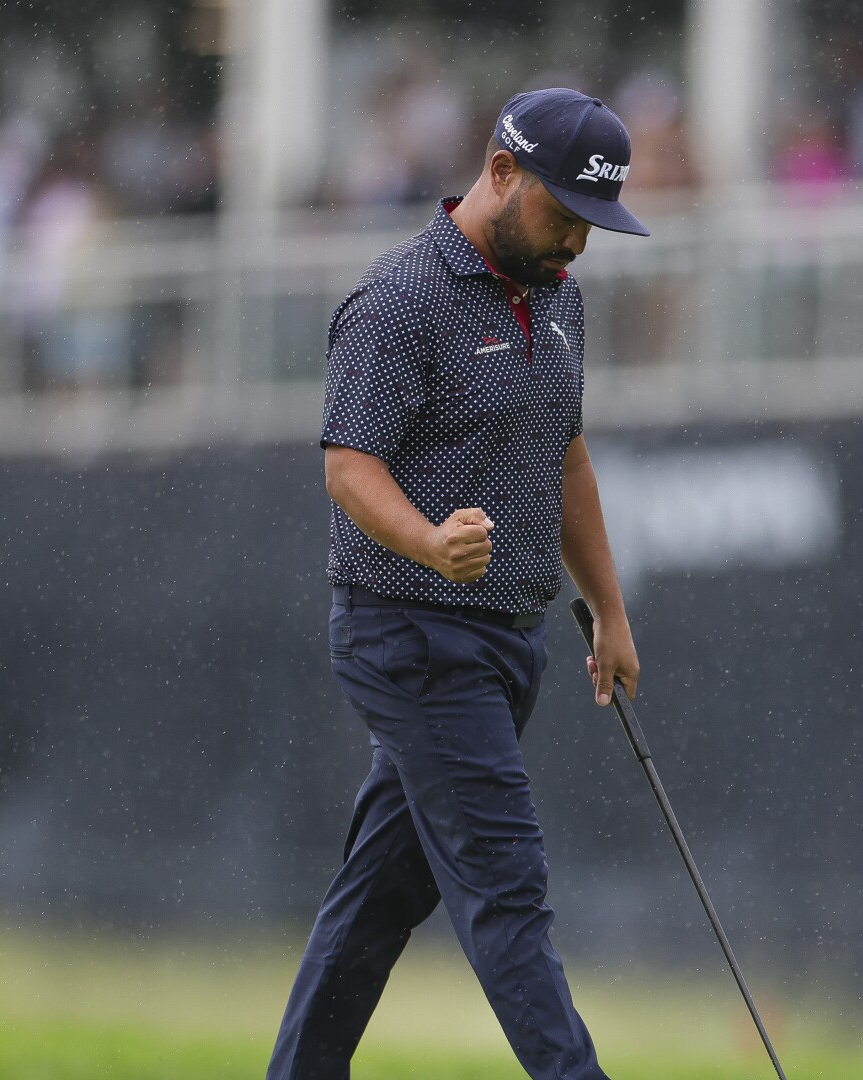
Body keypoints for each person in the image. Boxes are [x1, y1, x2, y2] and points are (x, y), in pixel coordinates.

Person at [268, 88, 649, 1080]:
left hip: (508, 643)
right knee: (507, 890)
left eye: (594, 224)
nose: (578, 243)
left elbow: (566, 458)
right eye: (565, 214)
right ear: (501, 173)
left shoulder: (557, 295)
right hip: (412, 635)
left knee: (379, 899)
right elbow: (349, 467)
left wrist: (609, 611)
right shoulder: (398, 300)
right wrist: (430, 542)